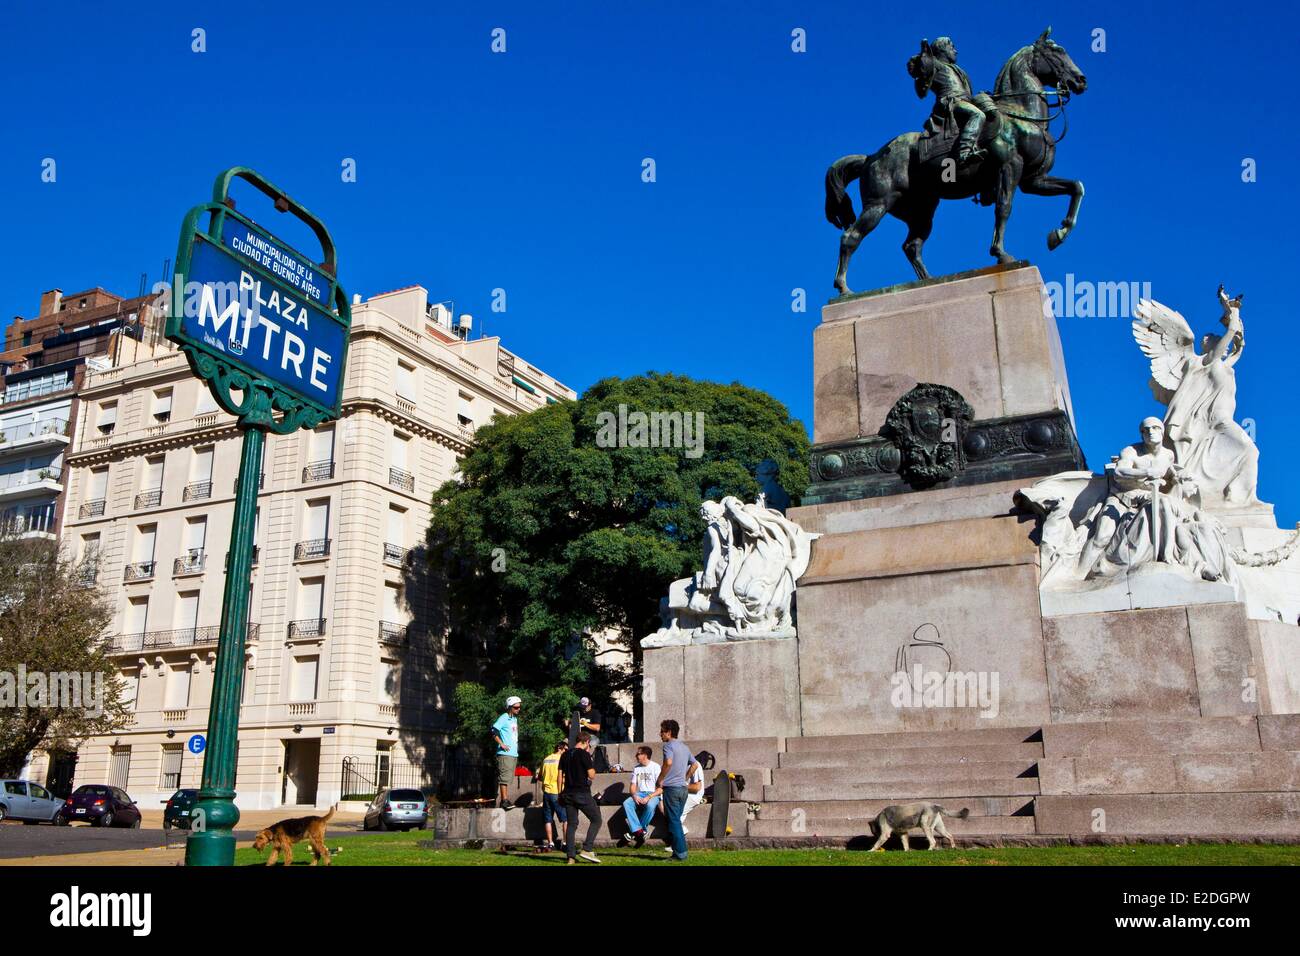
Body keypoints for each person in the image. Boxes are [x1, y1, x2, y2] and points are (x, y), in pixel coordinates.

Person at [559, 732, 602, 864]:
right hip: (581, 793)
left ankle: (570, 857)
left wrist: (560, 793)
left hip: (567, 793)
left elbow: (559, 775)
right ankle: (587, 849)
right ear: (587, 742)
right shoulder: (584, 754)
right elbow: (592, 775)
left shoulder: (565, 754)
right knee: (596, 819)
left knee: (572, 824)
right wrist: (591, 759)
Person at [655, 720, 693, 861]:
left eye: (662, 731)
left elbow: (668, 762)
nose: (660, 734)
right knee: (676, 821)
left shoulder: (668, 746)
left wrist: (660, 778)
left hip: (672, 789)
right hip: (683, 789)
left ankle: (680, 854)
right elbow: (694, 764)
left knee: (674, 822)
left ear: (669, 732)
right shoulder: (684, 747)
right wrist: (685, 778)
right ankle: (680, 852)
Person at [619, 746, 661, 847]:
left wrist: (649, 797)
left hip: (654, 793)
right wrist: (634, 795)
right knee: (627, 803)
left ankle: (634, 832)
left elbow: (661, 788)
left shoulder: (656, 767)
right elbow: (633, 786)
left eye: (638, 754)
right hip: (640, 793)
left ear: (645, 755)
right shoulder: (637, 768)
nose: (636, 755)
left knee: (650, 806)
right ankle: (640, 831)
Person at [536, 740, 567, 852]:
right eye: (566, 749)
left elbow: (539, 777)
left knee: (548, 819)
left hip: (546, 793)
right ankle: (565, 843)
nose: (566, 752)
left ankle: (550, 843)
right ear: (560, 748)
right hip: (557, 792)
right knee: (566, 819)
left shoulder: (546, 759)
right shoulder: (562, 759)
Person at [492, 696, 521, 810]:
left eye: (519, 707)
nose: (518, 709)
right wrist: (501, 744)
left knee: (508, 778)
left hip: (513, 753)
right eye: (516, 707)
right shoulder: (504, 717)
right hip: (505, 753)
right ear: (509, 707)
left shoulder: (514, 719)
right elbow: (493, 731)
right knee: (504, 777)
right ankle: (504, 801)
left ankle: (506, 800)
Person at [680, 756, 705, 835]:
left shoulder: (695, 765)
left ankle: (679, 837)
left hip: (693, 795)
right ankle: (681, 832)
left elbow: (697, 788)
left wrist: (677, 786)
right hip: (681, 793)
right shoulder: (678, 765)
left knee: (674, 814)